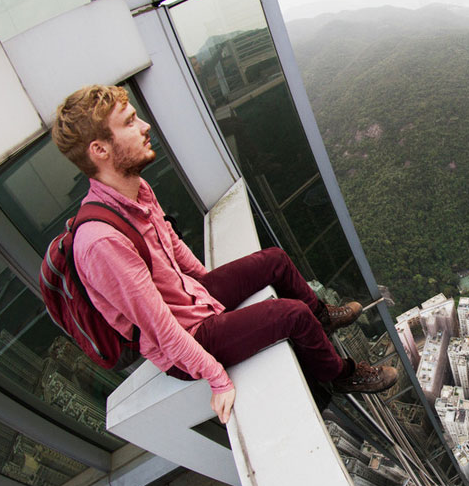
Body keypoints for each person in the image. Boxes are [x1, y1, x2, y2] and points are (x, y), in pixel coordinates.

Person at [51, 84, 397, 423]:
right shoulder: (101, 244)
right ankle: (340, 374)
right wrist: (216, 378)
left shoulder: (135, 189)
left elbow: (169, 241)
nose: (145, 126)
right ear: (100, 150)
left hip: (191, 297)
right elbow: (160, 328)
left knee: (274, 259)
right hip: (187, 337)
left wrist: (208, 282)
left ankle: (322, 315)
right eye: (128, 122)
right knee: (292, 315)